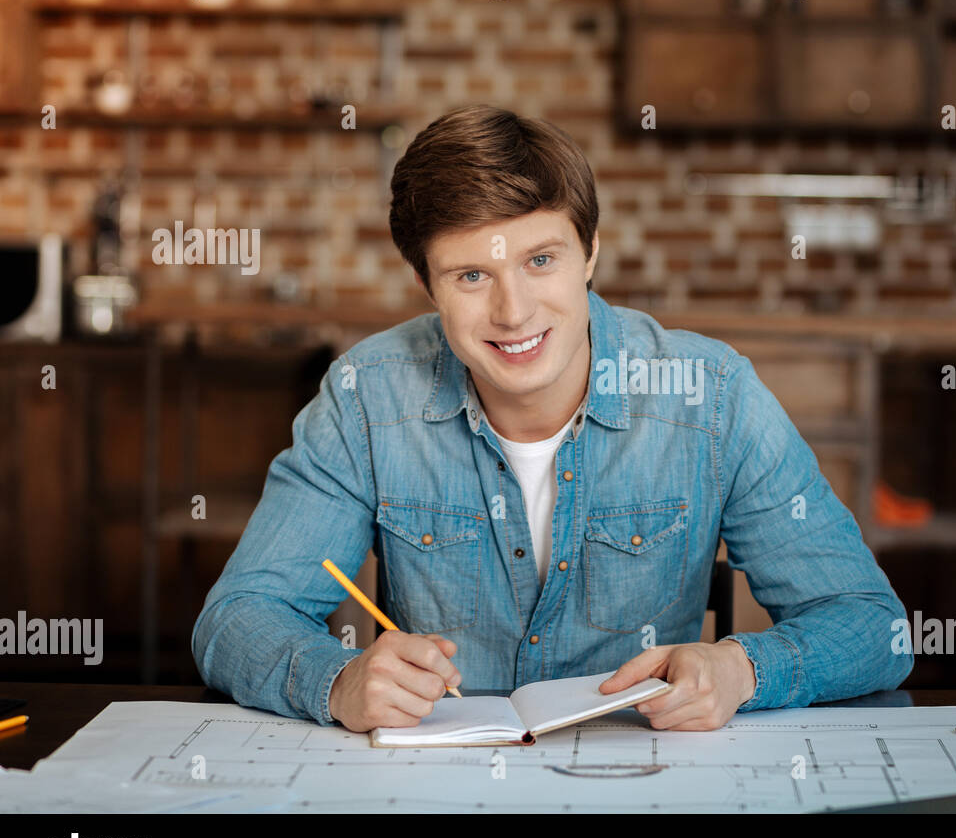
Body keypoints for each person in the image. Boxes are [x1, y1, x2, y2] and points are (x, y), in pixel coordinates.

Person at [192, 104, 912, 733]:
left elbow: (871, 625)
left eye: (541, 260)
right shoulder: (364, 399)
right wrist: (337, 681)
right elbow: (237, 618)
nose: (513, 312)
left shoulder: (710, 394)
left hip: (642, 777)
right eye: (472, 276)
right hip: (440, 786)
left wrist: (743, 669)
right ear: (425, 284)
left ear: (591, 252)